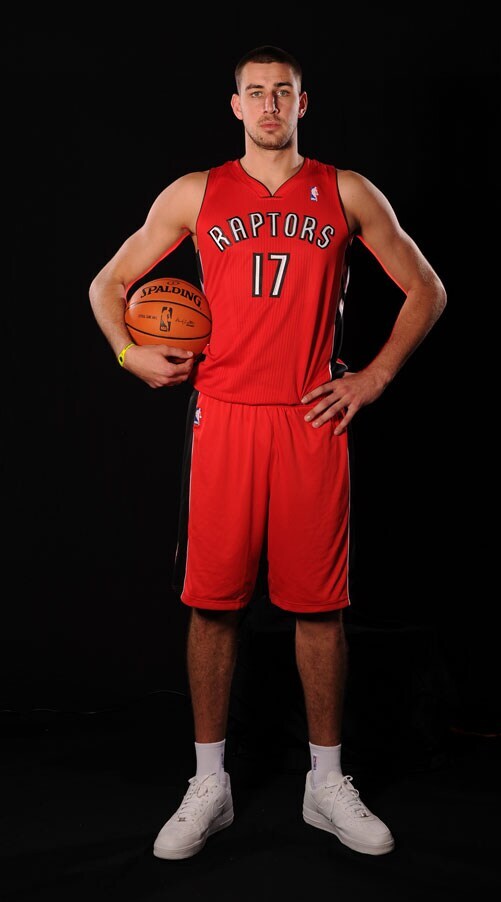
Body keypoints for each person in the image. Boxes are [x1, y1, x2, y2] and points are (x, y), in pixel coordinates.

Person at [89, 44, 447, 860]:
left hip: (311, 420)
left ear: (303, 103)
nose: (270, 105)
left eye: (283, 92)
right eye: (256, 93)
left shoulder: (345, 190)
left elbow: (427, 287)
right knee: (212, 603)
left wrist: (376, 376)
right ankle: (208, 783)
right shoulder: (196, 192)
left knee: (320, 608)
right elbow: (106, 283)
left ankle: (326, 783)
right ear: (236, 106)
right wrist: (127, 352)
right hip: (224, 417)